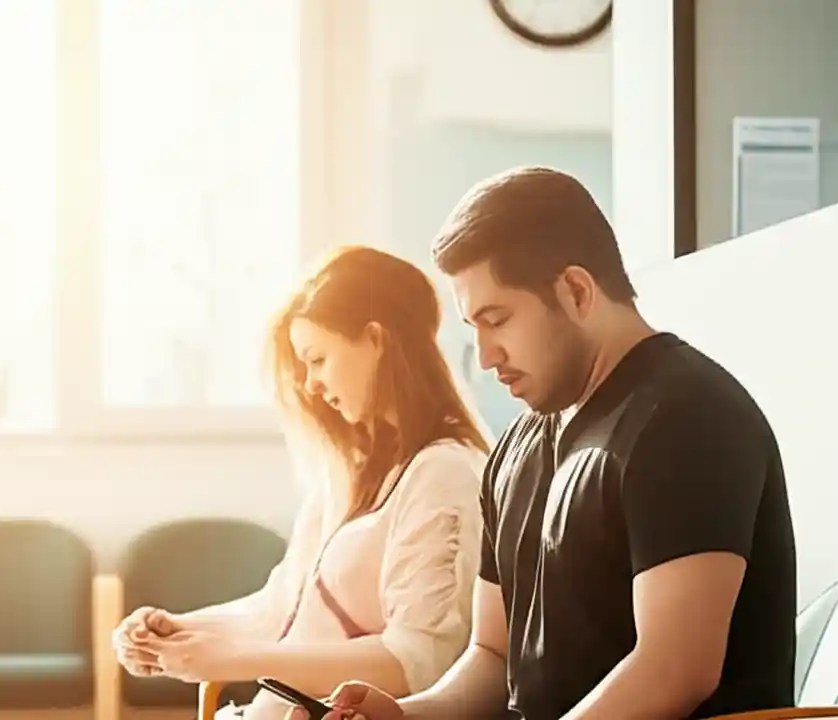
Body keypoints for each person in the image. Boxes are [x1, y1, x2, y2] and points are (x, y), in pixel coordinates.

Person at [299, 168, 797, 720]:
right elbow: (491, 658)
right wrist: (401, 716)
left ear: (577, 291)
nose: (486, 357)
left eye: (498, 321)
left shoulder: (688, 418)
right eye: (474, 328)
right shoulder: (515, 452)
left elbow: (674, 669)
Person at [111, 246, 493, 718]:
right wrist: (180, 633)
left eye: (317, 359)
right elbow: (280, 609)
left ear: (376, 341)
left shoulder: (444, 474)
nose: (310, 385)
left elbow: (417, 663)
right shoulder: (352, 474)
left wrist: (230, 659)